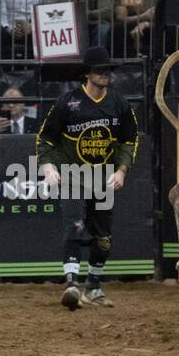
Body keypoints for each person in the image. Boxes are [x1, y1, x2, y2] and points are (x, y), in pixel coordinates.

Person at [37, 46, 139, 310]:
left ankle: (93, 286)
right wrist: (48, 165)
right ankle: (71, 284)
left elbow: (129, 139)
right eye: (99, 70)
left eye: (107, 70)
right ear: (87, 74)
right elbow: (46, 137)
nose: (105, 75)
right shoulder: (68, 102)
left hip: (103, 176)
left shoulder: (119, 103)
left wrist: (121, 170)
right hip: (72, 173)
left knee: (103, 237)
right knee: (75, 226)